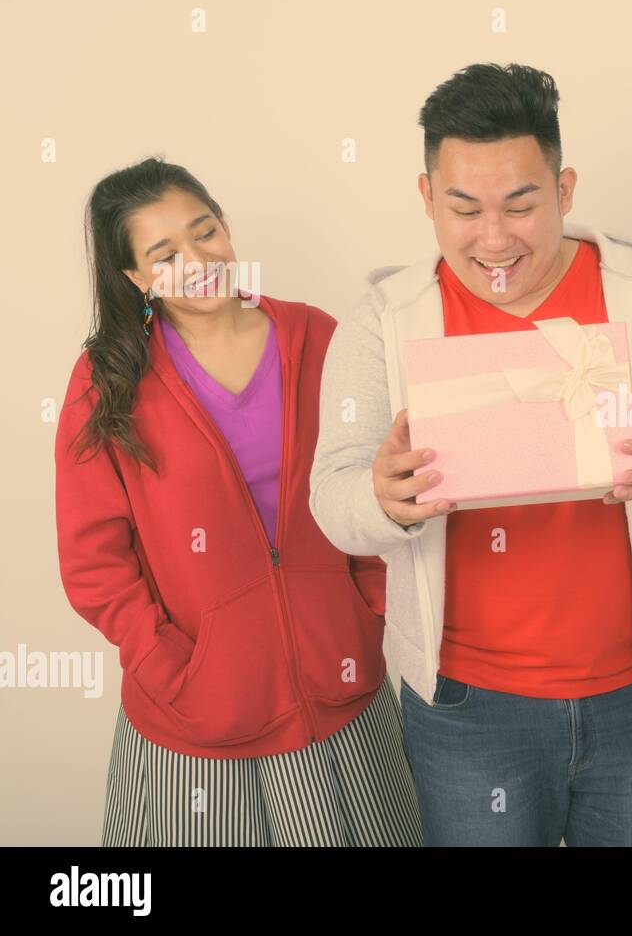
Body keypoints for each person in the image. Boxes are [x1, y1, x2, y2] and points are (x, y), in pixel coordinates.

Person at [309, 63, 632, 846]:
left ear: (566, 188)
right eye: (464, 208)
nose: (495, 237)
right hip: (467, 709)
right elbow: (331, 494)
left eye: (522, 204)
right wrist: (382, 498)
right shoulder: (383, 322)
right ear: (426, 197)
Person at [54, 158, 422, 846]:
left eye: (206, 232)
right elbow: (92, 561)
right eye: (165, 254)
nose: (199, 260)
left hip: (343, 696)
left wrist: (367, 611)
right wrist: (175, 668)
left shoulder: (318, 338)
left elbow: (368, 485)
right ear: (135, 277)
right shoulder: (105, 381)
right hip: (198, 722)